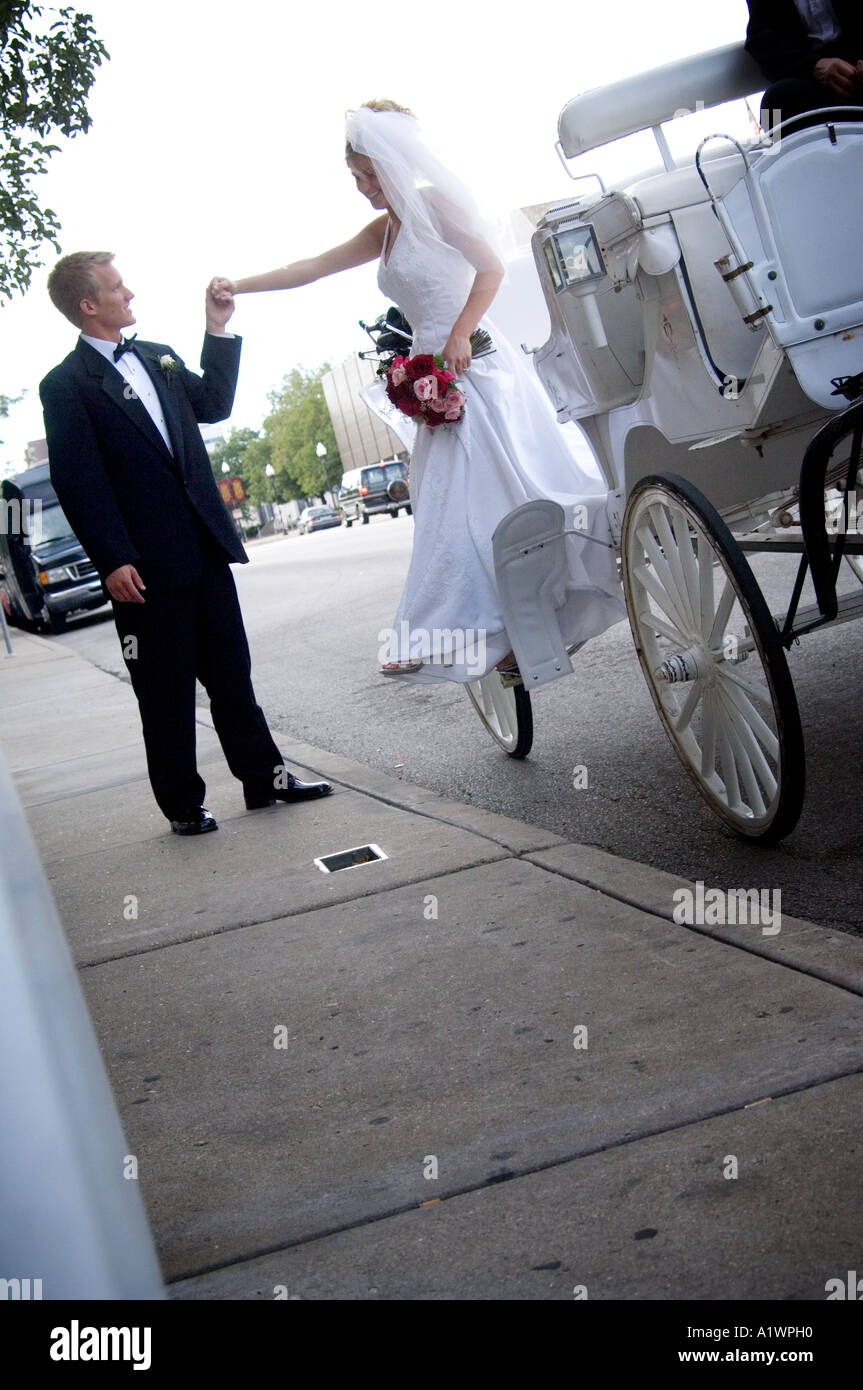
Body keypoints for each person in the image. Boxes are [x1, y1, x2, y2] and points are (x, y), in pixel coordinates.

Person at [212, 101, 624, 682]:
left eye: (369, 175)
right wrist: (240, 286)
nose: (362, 188)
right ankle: (479, 629)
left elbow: (490, 270)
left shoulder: (436, 206)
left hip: (473, 360)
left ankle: (481, 624)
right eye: (355, 178)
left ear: (395, 162)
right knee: (444, 502)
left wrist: (457, 334)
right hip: (430, 376)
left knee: (492, 492)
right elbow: (312, 266)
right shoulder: (383, 230)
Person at [39, 252, 331, 833]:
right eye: (119, 288)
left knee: (232, 677)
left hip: (202, 546)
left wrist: (216, 328)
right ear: (88, 305)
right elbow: (78, 480)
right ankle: (183, 805)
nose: (131, 293)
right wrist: (112, 558)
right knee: (164, 693)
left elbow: (214, 405)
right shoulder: (65, 386)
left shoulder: (158, 356)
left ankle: (264, 781)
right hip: (142, 570)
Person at [746, 0, 863, 132]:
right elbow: (760, 42)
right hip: (812, 74)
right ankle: (776, 150)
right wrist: (814, 65)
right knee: (770, 110)